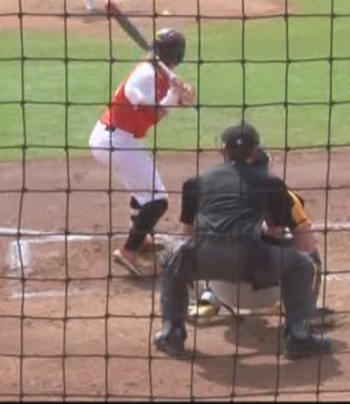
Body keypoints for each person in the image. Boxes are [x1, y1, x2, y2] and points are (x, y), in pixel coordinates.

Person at [153, 122, 333, 360]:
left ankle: (172, 332)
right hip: (250, 260)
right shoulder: (270, 182)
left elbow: (187, 235)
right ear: (255, 151)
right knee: (301, 264)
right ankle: (298, 334)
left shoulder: (196, 182)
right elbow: (280, 233)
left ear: (224, 151)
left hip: (206, 260)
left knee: (172, 259)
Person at [188, 150, 337, 330]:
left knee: (209, 239)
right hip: (265, 294)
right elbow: (301, 241)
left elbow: (191, 235)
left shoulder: (212, 190)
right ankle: (306, 312)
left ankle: (207, 300)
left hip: (223, 288)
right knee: (309, 251)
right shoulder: (281, 192)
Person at [88, 28, 194, 277]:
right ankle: (128, 251)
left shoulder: (160, 73)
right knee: (158, 201)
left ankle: (141, 237)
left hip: (121, 140)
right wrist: (173, 96)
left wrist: (181, 95)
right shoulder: (145, 75)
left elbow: (167, 106)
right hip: (116, 141)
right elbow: (148, 106)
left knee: (145, 190)